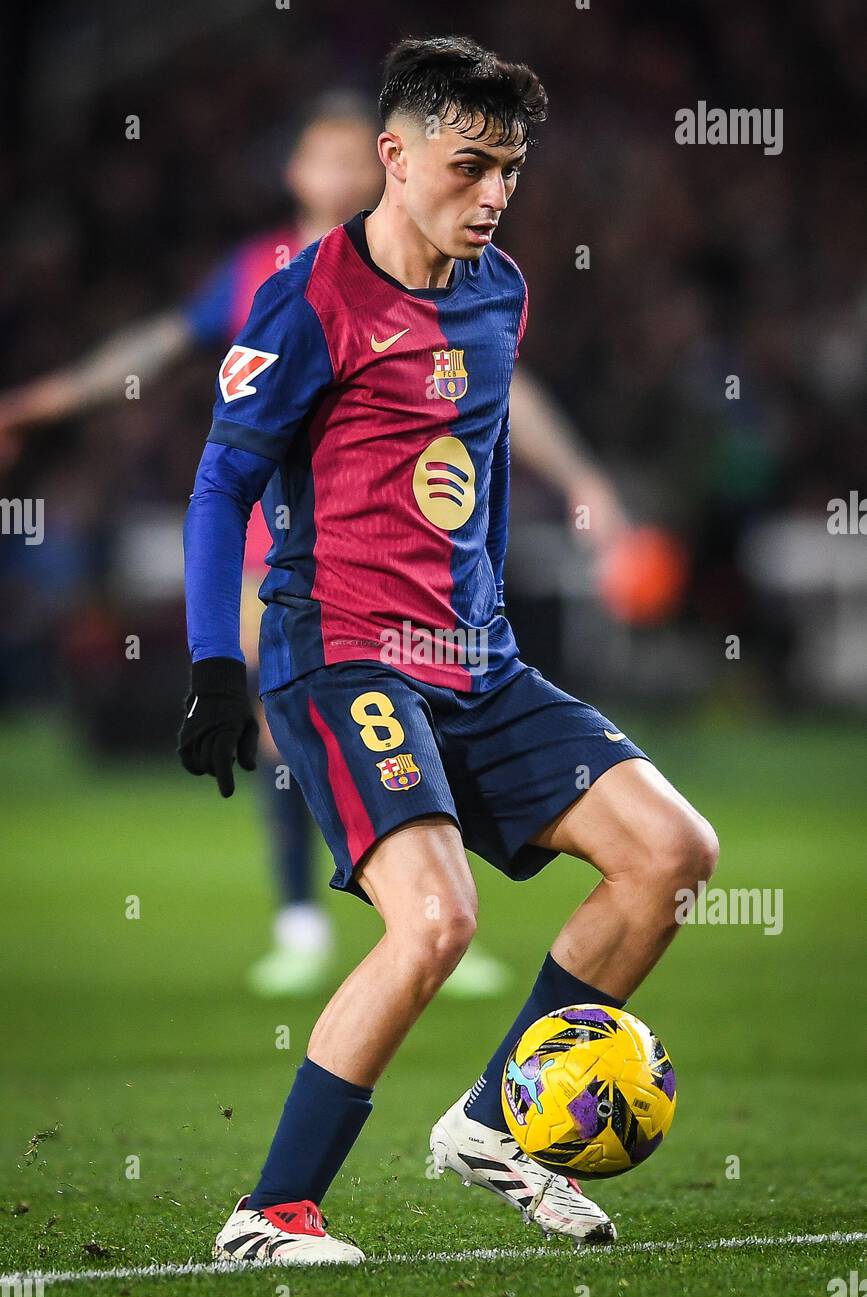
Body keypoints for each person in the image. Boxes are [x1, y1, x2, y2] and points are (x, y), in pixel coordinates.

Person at [178, 34, 718, 1265]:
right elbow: (220, 486)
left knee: (673, 853)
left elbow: (469, 467)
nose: (493, 195)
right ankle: (270, 1212)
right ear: (395, 154)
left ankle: (492, 1123)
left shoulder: (501, 290)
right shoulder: (306, 298)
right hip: (343, 652)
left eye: (511, 172)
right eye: (470, 166)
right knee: (434, 922)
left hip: (478, 660)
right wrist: (218, 661)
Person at [0, 87, 630, 1003]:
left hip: (413, 562)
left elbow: (496, 392)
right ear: (298, 171)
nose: (340, 174)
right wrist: (43, 402)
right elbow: (158, 349)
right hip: (283, 550)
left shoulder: (455, 274)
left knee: (402, 711)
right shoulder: (270, 270)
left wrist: (577, 475)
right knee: (288, 720)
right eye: (322, 157)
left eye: (352, 158)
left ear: (385, 163)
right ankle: (307, 918)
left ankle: (422, 916)